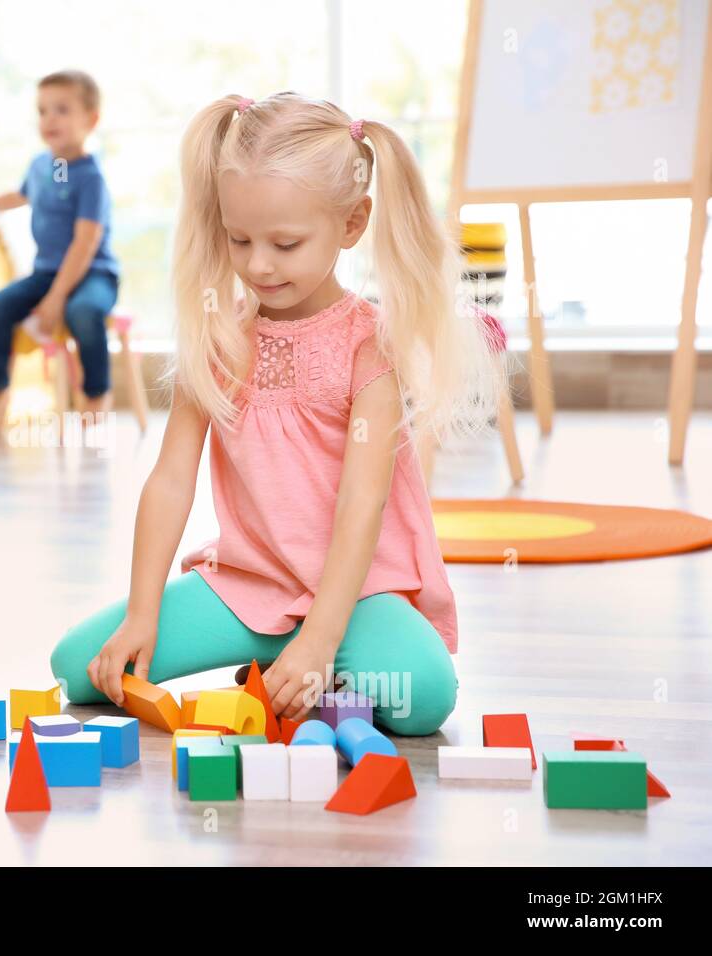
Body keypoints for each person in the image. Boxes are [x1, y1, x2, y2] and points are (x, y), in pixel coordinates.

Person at [49, 92, 501, 736]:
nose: (259, 264)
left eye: (286, 243)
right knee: (80, 670)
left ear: (352, 223)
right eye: (240, 239)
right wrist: (142, 613)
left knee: (421, 699)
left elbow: (361, 502)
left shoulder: (370, 344)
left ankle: (297, 662)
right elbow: (171, 479)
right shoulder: (219, 336)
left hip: (355, 594)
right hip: (247, 586)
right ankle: (268, 656)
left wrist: (319, 640)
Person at [0, 69, 120, 432]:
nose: (49, 119)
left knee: (83, 311)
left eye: (61, 110)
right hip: (46, 271)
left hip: (92, 272)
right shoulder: (42, 165)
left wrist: (56, 298)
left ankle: (96, 393)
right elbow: (17, 196)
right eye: (42, 111)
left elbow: (85, 245)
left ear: (92, 119)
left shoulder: (91, 178)